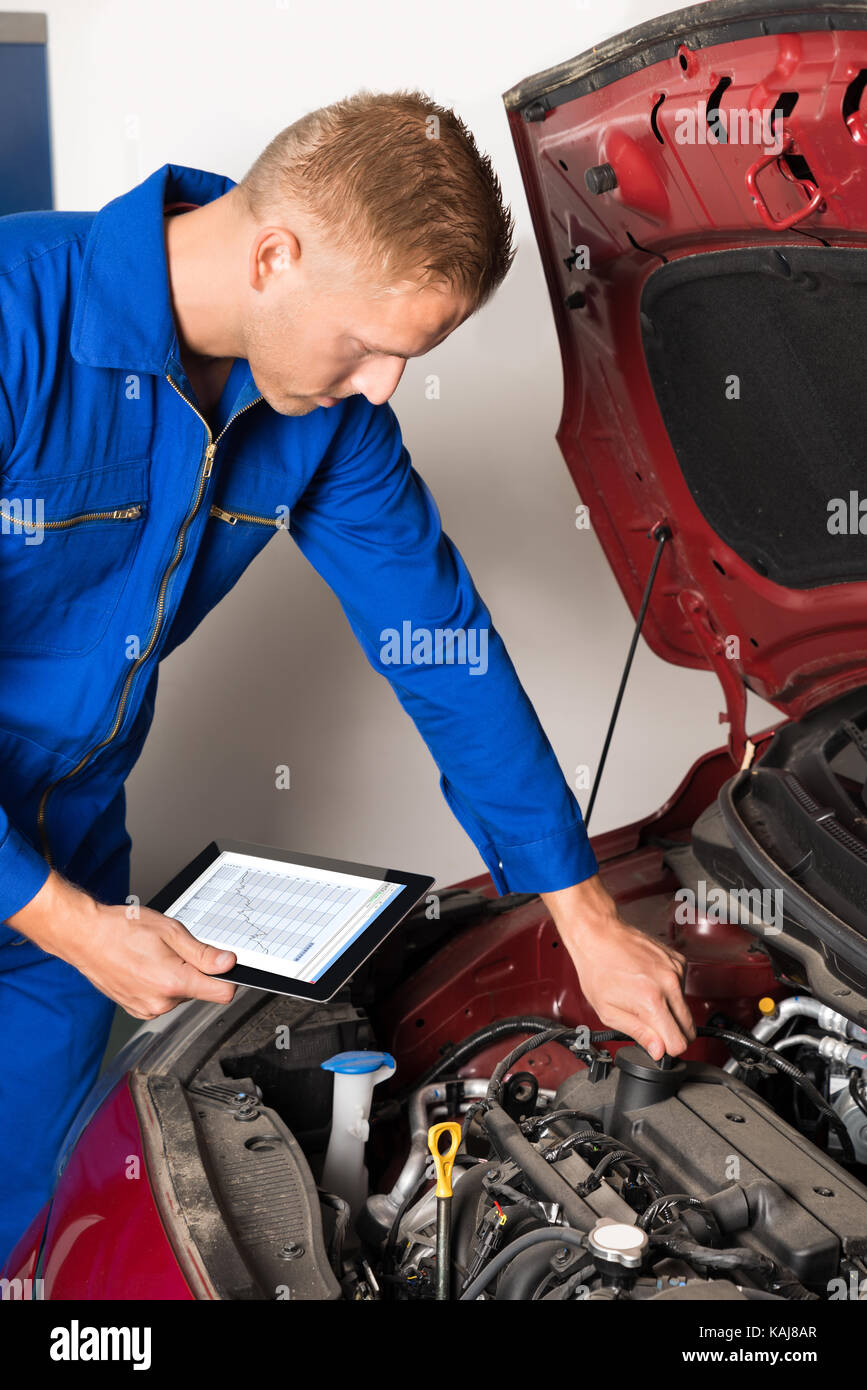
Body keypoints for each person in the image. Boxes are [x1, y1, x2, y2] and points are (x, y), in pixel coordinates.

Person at [0, 89, 694, 1260]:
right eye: (373, 345)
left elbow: (445, 649)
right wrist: (61, 919)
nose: (382, 388)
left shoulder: (325, 421)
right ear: (273, 254)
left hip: (73, 869)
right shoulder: (17, 317)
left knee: (31, 1228)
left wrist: (583, 916)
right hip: (58, 907)